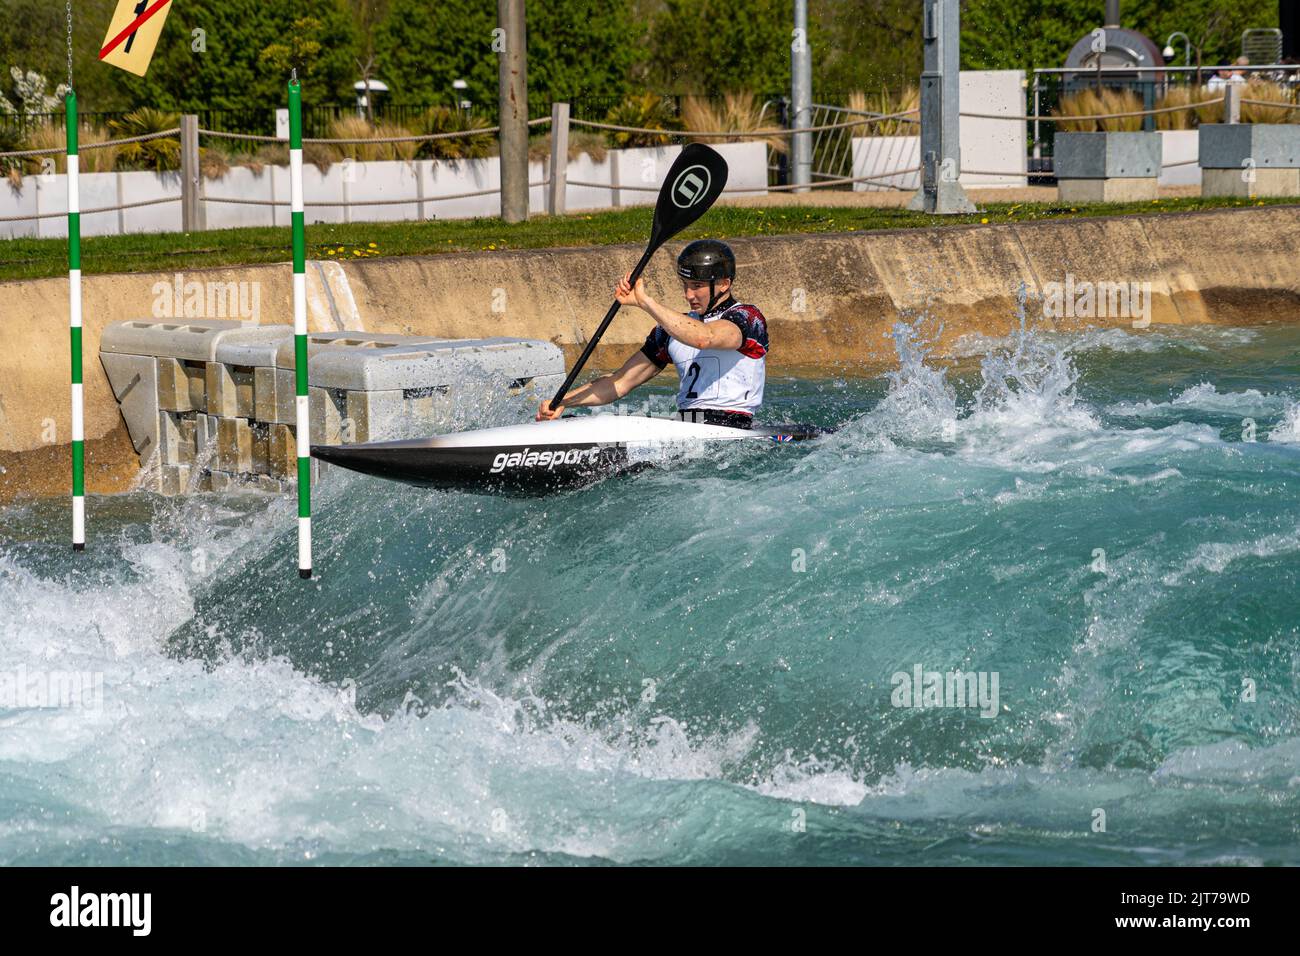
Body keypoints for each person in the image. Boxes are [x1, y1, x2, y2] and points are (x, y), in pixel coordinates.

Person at [536, 239, 769, 429]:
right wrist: (563, 401)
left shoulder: (747, 318)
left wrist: (645, 302)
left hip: (732, 426)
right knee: (581, 422)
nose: (689, 295)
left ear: (724, 284)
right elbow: (620, 382)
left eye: (697, 285)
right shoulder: (668, 332)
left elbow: (705, 338)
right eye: (685, 285)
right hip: (687, 424)